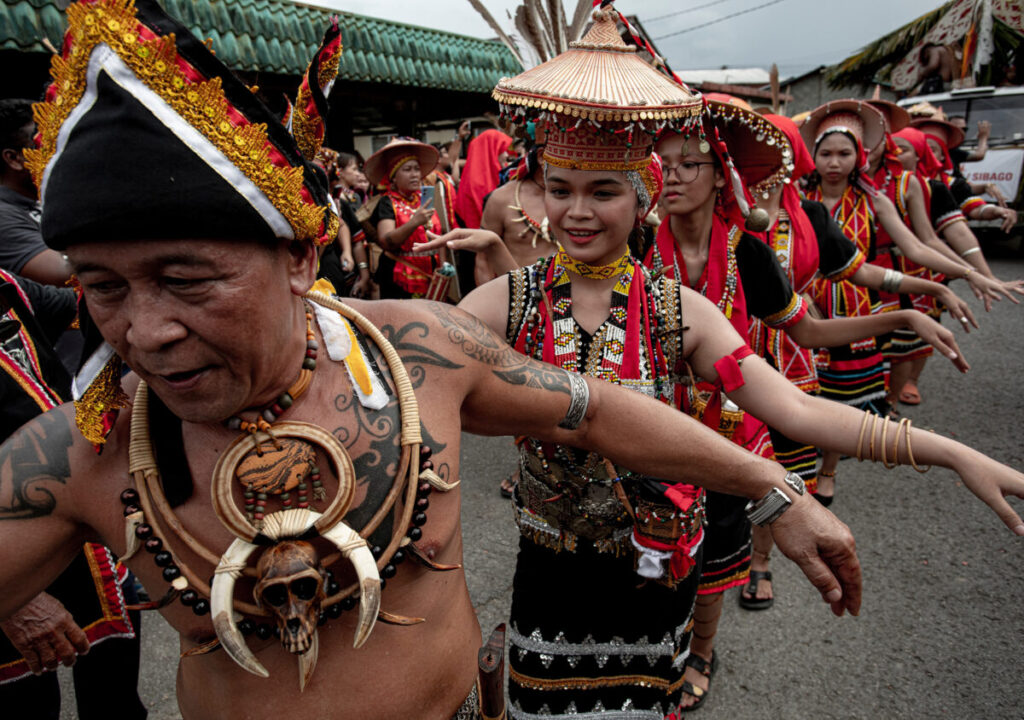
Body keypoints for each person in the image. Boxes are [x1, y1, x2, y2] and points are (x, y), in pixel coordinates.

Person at [1, 3, 887, 718]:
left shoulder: (419, 352)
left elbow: (604, 410)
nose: (144, 331)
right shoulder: (82, 453)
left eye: (186, 278)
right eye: (103, 287)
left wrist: (780, 493)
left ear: (304, 258)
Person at [425, 11, 1023, 716]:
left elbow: (796, 410)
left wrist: (949, 453)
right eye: (561, 190)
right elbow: (413, 388)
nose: (578, 212)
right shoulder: (508, 303)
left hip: (656, 563)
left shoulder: (678, 313)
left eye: (604, 191)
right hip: (551, 572)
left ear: (643, 195)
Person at [0, 269, 146, 720]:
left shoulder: (5, 283)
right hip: (10, 563)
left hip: (86, 544)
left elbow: (81, 299)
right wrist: (15, 602)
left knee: (115, 702)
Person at [0, 100, 72, 287]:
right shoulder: (3, 215)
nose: (60, 150)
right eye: (46, 143)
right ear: (14, 159)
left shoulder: (51, 199)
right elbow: (64, 274)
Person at [365, 137, 444, 298]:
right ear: (393, 177)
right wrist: (414, 222)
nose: (414, 174)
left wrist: (443, 266)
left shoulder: (423, 199)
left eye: (416, 169)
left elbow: (438, 236)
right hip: (398, 275)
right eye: (407, 169)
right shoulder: (387, 203)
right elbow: (386, 241)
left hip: (431, 275)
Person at [453, 128, 513, 230]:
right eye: (502, 150)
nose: (507, 155)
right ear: (491, 151)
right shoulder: (477, 185)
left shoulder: (493, 175)